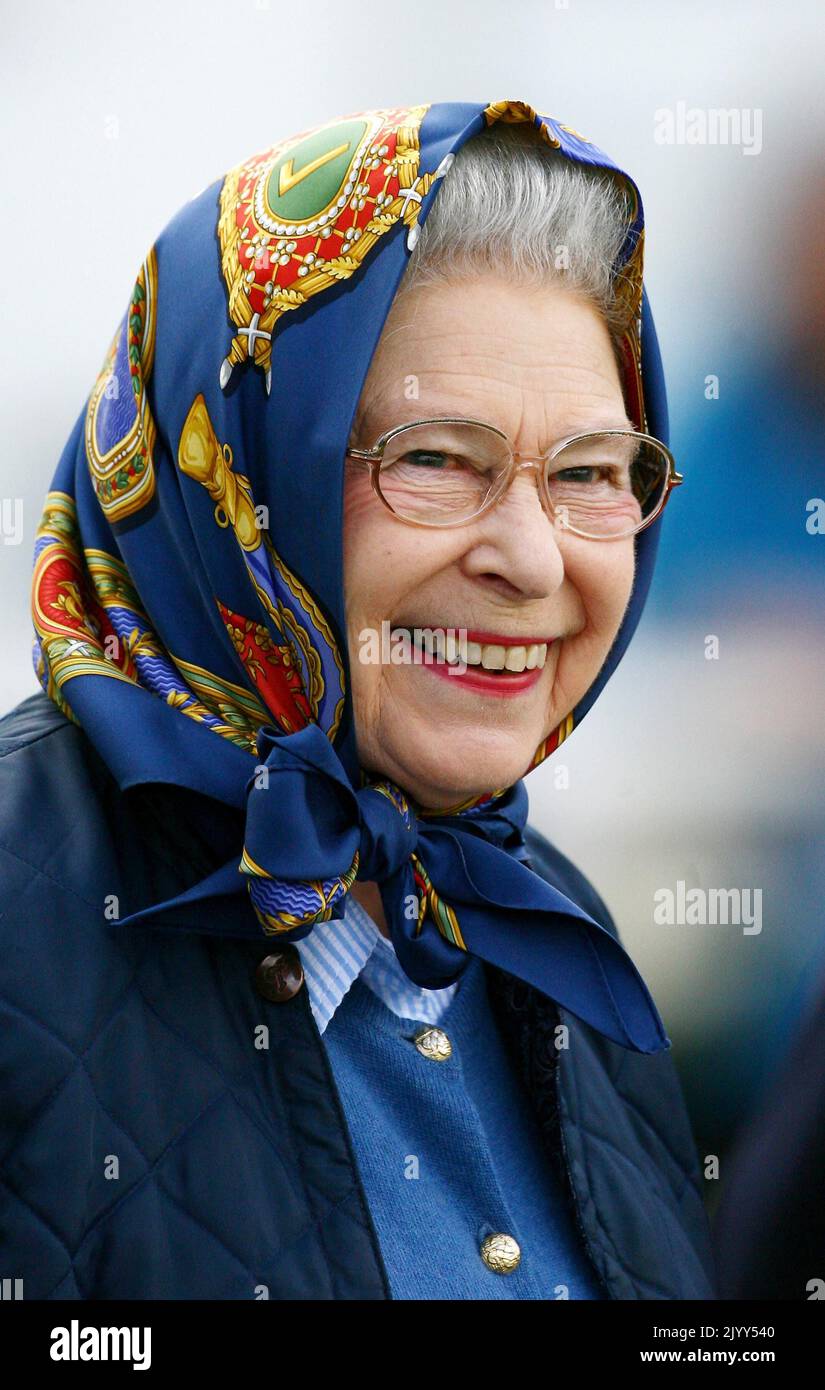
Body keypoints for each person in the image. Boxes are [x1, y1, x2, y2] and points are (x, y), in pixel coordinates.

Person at [0, 98, 716, 1300]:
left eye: (591, 472)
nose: (532, 559)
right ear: (228, 473)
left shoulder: (556, 936)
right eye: (435, 457)